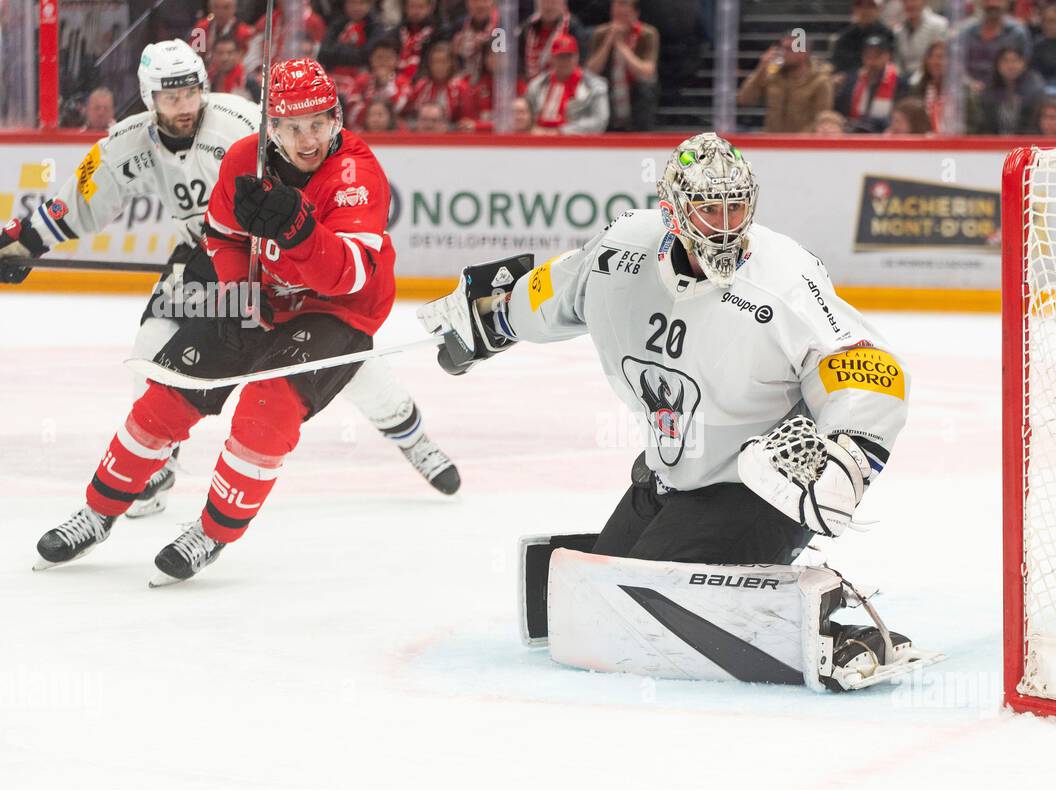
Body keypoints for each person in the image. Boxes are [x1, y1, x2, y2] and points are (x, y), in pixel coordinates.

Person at [421, 133, 915, 688]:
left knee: (627, 623)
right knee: (584, 608)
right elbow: (552, 292)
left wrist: (851, 455)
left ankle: (835, 633)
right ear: (674, 213)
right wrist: (491, 318)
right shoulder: (621, 249)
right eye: (710, 210)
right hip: (666, 476)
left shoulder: (784, 275)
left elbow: (864, 364)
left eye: (737, 207)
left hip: (757, 488)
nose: (727, 225)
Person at [23, 57, 451, 585]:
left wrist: (295, 230)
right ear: (272, 125)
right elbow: (222, 237)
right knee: (165, 393)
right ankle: (98, 511)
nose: (308, 139)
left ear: (336, 119)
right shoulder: (246, 160)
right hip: (263, 290)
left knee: (266, 409)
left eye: (318, 123)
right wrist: (238, 289)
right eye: (293, 126)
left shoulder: (356, 176)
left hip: (336, 310)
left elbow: (347, 277)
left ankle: (211, 532)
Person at [738, 30, 836, 133]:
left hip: (803, 143)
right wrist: (761, 68)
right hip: (771, 141)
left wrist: (797, 141)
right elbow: (745, 99)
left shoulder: (820, 81)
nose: (782, 53)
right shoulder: (772, 76)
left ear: (803, 53)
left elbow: (822, 118)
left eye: (788, 49)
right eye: (781, 48)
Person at [585, 0, 660, 131]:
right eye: (616, 13)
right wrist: (608, 43)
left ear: (636, 13)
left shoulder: (647, 34)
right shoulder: (601, 33)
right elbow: (590, 71)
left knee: (646, 86)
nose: (620, 15)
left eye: (624, 14)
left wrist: (621, 46)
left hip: (636, 101)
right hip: (609, 98)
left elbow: (648, 72)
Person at [525, 33, 609, 134]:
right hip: (539, 140)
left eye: (569, 56)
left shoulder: (595, 86)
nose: (564, 61)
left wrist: (562, 131)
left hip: (577, 142)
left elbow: (599, 122)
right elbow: (527, 115)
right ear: (551, 59)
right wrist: (533, 128)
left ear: (577, 58)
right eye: (560, 56)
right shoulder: (537, 85)